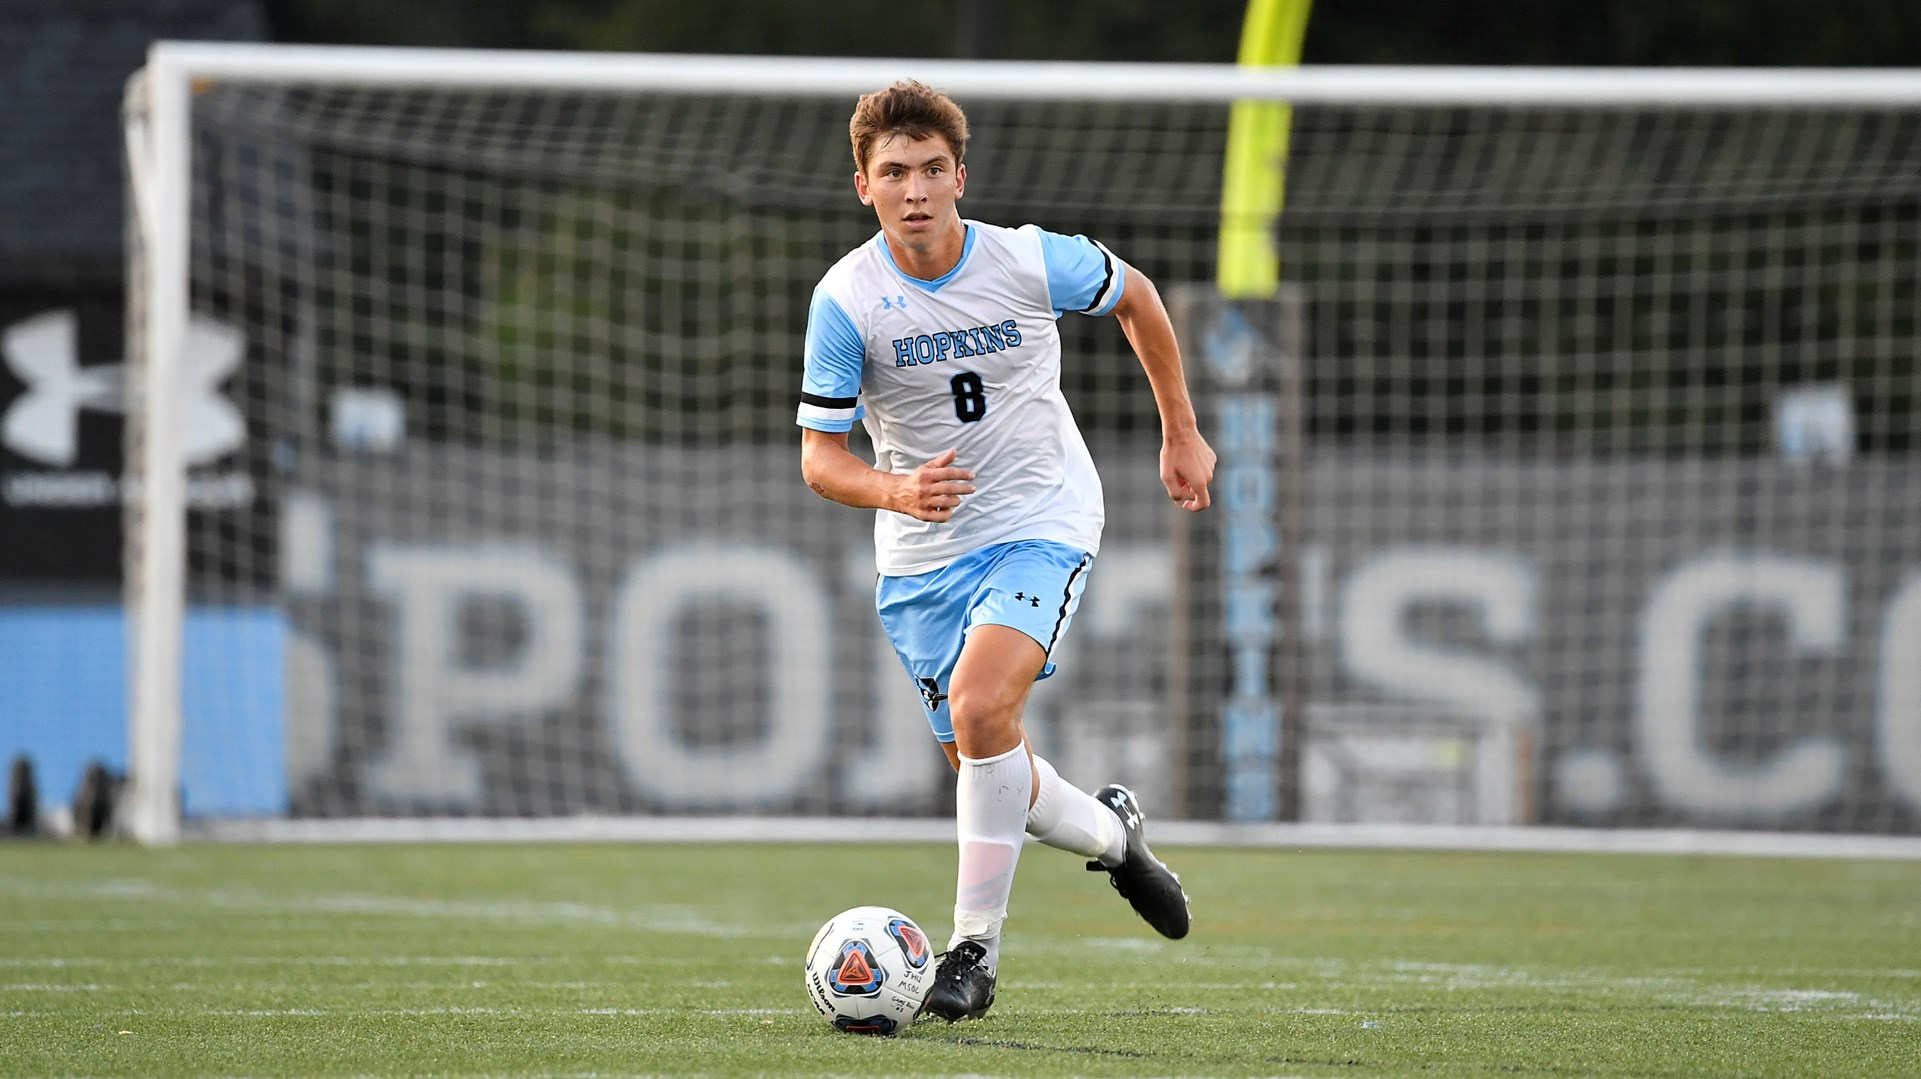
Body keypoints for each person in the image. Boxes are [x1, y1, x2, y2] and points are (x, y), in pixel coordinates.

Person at [796, 80, 1216, 1023]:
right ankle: (1116, 837)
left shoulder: (1028, 260)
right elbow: (821, 460)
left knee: (984, 705)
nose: (915, 190)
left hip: (1040, 517)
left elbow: (1137, 297)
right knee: (996, 772)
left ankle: (971, 953)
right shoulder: (846, 300)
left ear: (959, 176)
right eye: (893, 172)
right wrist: (896, 487)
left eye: (931, 170)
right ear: (862, 184)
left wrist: (1179, 432)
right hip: (918, 557)